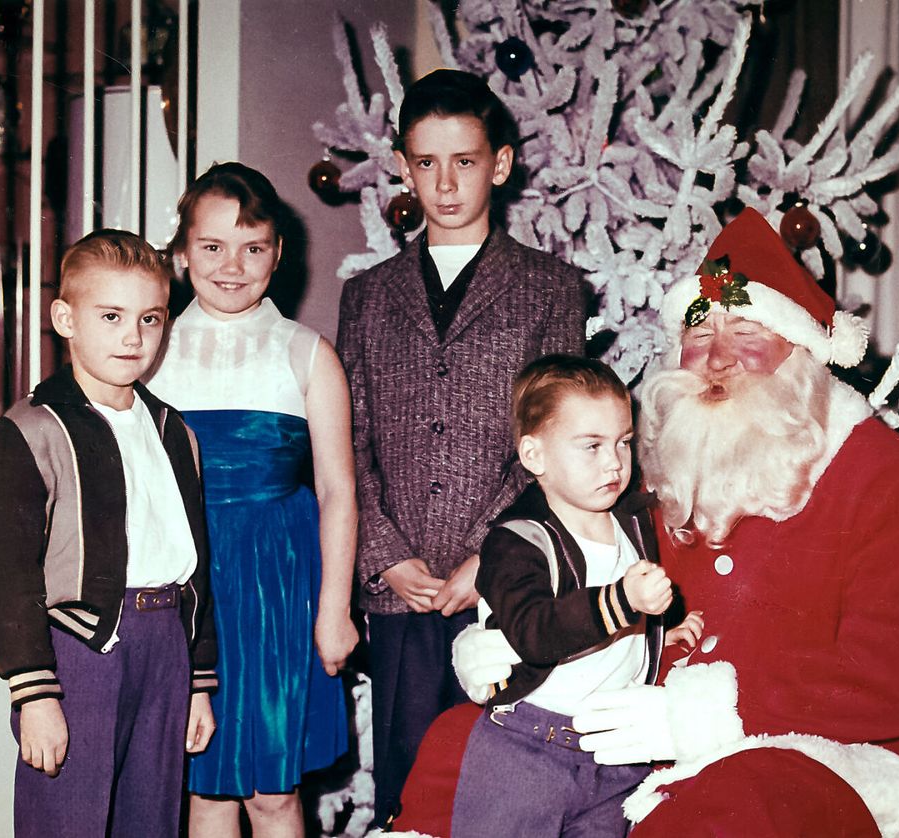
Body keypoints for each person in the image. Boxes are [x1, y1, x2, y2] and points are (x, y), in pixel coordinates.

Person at [451, 207, 899, 837]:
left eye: (749, 330)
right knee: (458, 749)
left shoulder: (887, 477)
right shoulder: (662, 463)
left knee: (718, 819)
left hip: (842, 754)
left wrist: (700, 714)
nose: (718, 357)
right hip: (652, 728)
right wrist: (499, 634)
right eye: (700, 332)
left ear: (802, 349)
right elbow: (560, 546)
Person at [335, 67, 589, 827]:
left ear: (501, 164)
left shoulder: (550, 289)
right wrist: (383, 553)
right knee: (411, 788)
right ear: (404, 167)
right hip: (402, 586)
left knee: (504, 780)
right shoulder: (368, 295)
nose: (445, 184)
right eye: (426, 163)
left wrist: (491, 554)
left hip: (506, 585)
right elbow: (350, 440)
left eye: (466, 161)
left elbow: (555, 443)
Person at [0, 229, 218, 837]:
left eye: (150, 318)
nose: (132, 336)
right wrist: (34, 693)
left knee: (151, 820)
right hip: (80, 650)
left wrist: (197, 681)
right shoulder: (31, 430)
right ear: (66, 318)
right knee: (68, 822)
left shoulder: (173, 432)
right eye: (110, 316)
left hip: (166, 646)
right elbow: (10, 577)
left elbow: (197, 566)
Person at [146, 162, 357, 837]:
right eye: (212, 247)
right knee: (202, 788)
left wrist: (334, 612)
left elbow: (337, 490)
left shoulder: (305, 354)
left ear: (277, 254)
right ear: (181, 254)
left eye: (253, 248)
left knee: (271, 793)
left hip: (277, 590)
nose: (231, 266)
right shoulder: (149, 351)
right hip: (187, 588)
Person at [451, 355, 704, 838]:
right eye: (591, 446)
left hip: (612, 759)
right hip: (526, 751)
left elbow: (617, 618)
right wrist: (623, 602)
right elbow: (535, 632)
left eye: (623, 443)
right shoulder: (516, 541)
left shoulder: (629, 520)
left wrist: (657, 630)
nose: (614, 462)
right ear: (535, 455)